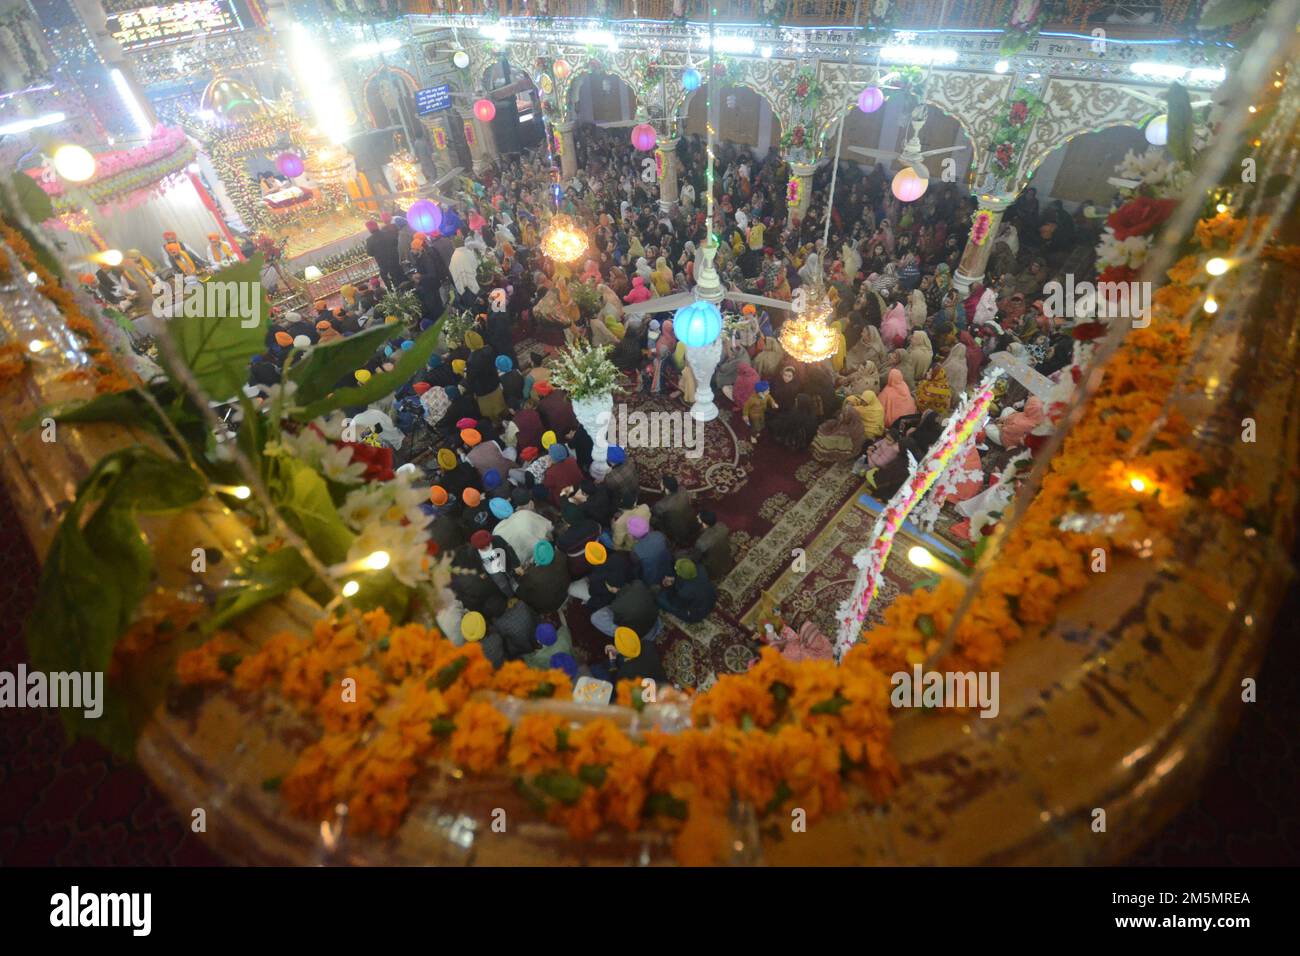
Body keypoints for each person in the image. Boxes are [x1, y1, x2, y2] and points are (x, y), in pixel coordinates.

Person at [656, 558, 716, 623]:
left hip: (696, 614)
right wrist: (674, 580)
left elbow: (676, 604)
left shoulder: (685, 592)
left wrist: (669, 588)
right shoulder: (701, 568)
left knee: (660, 599)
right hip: (711, 600)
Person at [627, 515, 673, 586]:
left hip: (651, 578)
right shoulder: (659, 535)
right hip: (667, 570)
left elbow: (637, 568)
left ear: (633, 535)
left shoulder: (635, 550)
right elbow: (669, 547)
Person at [651, 475, 695, 545]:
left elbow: (655, 516)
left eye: (661, 484)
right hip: (690, 521)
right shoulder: (683, 489)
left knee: (653, 521)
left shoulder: (660, 505)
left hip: (677, 531)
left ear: (666, 489)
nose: (660, 485)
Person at [691, 510, 733, 582]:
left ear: (704, 524)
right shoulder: (722, 526)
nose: (697, 517)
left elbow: (696, 558)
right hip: (725, 556)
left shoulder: (701, 542)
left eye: (699, 518)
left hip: (714, 567)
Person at [365, 220, 403, 291]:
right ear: (377, 226)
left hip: (384, 266)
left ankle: (394, 295)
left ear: (369, 230)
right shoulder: (388, 233)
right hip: (396, 261)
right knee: (401, 279)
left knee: (390, 285)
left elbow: (369, 253)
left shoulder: (370, 240)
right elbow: (397, 243)